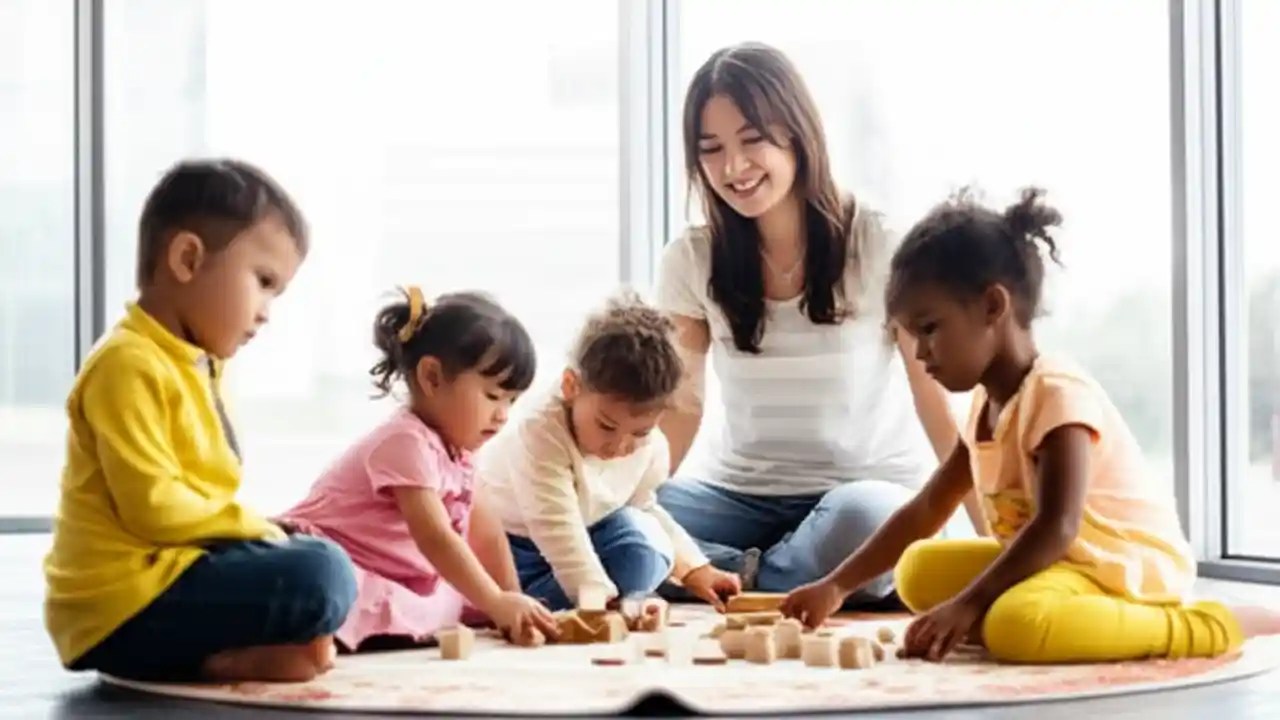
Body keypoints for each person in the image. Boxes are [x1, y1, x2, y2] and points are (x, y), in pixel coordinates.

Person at [782, 187, 1280, 662]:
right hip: (1062, 567)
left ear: (993, 307)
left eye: (929, 329)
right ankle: (1043, 617)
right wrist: (837, 585)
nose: (918, 352)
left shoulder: (1057, 396)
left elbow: (1056, 527)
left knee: (1018, 627)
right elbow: (927, 509)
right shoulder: (986, 405)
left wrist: (971, 603)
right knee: (915, 573)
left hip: (1115, 570)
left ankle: (1209, 625)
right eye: (910, 336)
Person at [653, 42, 976, 603]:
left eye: (752, 140)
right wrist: (629, 500)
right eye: (712, 149)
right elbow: (681, 406)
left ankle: (719, 577)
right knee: (625, 520)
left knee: (870, 521)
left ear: (798, 132)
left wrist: (994, 532)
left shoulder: (878, 242)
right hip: (739, 498)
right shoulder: (691, 257)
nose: (734, 168)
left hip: (862, 496)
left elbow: (934, 400)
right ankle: (778, 577)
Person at [44, 159, 357, 683]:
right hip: (119, 606)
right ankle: (211, 657)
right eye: (262, 282)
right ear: (187, 259)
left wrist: (261, 533)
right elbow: (154, 508)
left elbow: (205, 496)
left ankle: (237, 653)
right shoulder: (127, 362)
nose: (265, 312)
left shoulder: (198, 363)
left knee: (322, 555)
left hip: (171, 576)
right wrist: (253, 531)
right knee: (319, 572)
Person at [278, 287, 559, 649]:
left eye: (511, 401)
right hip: (333, 556)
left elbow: (486, 533)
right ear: (432, 377)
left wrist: (511, 602)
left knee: (449, 599)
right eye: (492, 396)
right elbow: (435, 537)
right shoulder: (406, 441)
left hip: (395, 572)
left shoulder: (461, 454)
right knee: (362, 593)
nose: (503, 415)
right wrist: (495, 601)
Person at [479, 291, 742, 611]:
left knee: (642, 548)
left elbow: (645, 508)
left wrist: (695, 569)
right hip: (513, 550)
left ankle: (599, 595)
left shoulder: (650, 446)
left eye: (640, 432)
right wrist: (593, 596)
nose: (619, 446)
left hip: (590, 537)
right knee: (507, 584)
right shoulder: (541, 431)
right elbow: (556, 526)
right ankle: (557, 599)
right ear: (570, 386)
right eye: (605, 426)